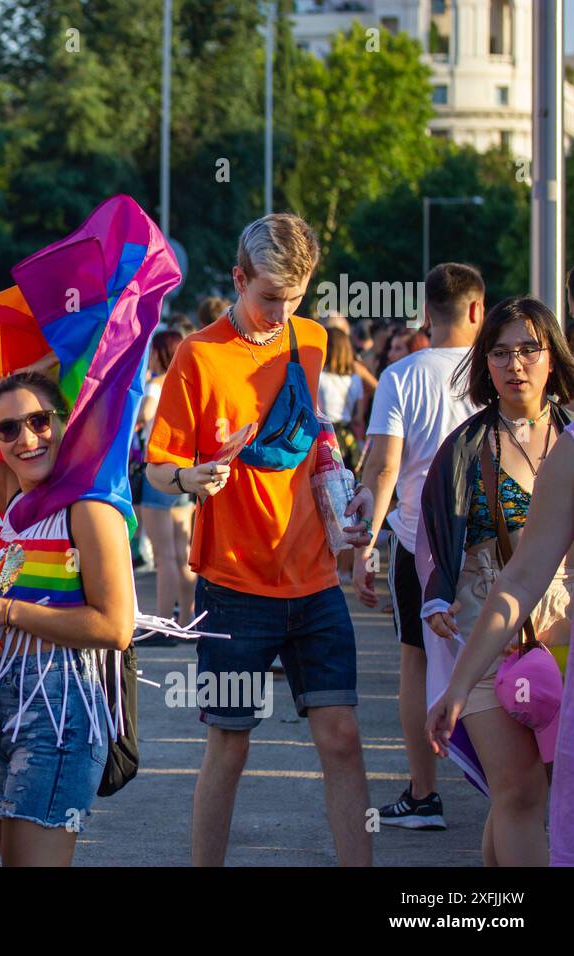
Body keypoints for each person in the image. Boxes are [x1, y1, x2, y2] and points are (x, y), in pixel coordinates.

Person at [145, 214, 376, 866]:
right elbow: (158, 465)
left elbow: (316, 430)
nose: (282, 311)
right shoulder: (197, 354)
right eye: (270, 295)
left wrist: (342, 489)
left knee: (341, 736)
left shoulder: (307, 340)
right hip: (235, 586)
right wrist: (193, 475)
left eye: (295, 297)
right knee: (231, 744)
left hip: (312, 576)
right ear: (239, 278)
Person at [0, 361, 134, 866]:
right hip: (0, 700)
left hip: (60, 708)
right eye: (9, 428)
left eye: (42, 420)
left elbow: (115, 626)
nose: (28, 438)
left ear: (67, 423)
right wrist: (20, 376)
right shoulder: (12, 496)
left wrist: (7, 612)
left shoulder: (90, 508)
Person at [418, 296, 574, 866]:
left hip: (564, 635)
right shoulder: (464, 447)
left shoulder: (571, 435)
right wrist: (435, 598)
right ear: (485, 364)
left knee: (540, 792)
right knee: (518, 790)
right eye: (501, 352)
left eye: (529, 349)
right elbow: (433, 537)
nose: (515, 364)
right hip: (487, 631)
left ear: (552, 357)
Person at [353, 262, 484, 831]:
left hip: (418, 542)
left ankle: (423, 794)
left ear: (427, 314)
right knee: (503, 655)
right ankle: (517, 790)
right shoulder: (503, 371)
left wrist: (364, 549)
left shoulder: (402, 376)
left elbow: (382, 469)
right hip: (494, 542)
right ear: (479, 311)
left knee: (416, 659)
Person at [137, 328, 197, 625]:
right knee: (182, 552)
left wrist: (138, 424)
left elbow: (144, 416)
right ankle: (186, 617)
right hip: (184, 470)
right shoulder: (185, 384)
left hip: (159, 469)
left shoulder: (155, 386)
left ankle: (163, 622)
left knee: (164, 556)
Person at [318, 326, 367, 470]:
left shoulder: (320, 377)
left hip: (325, 436)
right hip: (347, 437)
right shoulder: (355, 379)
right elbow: (358, 417)